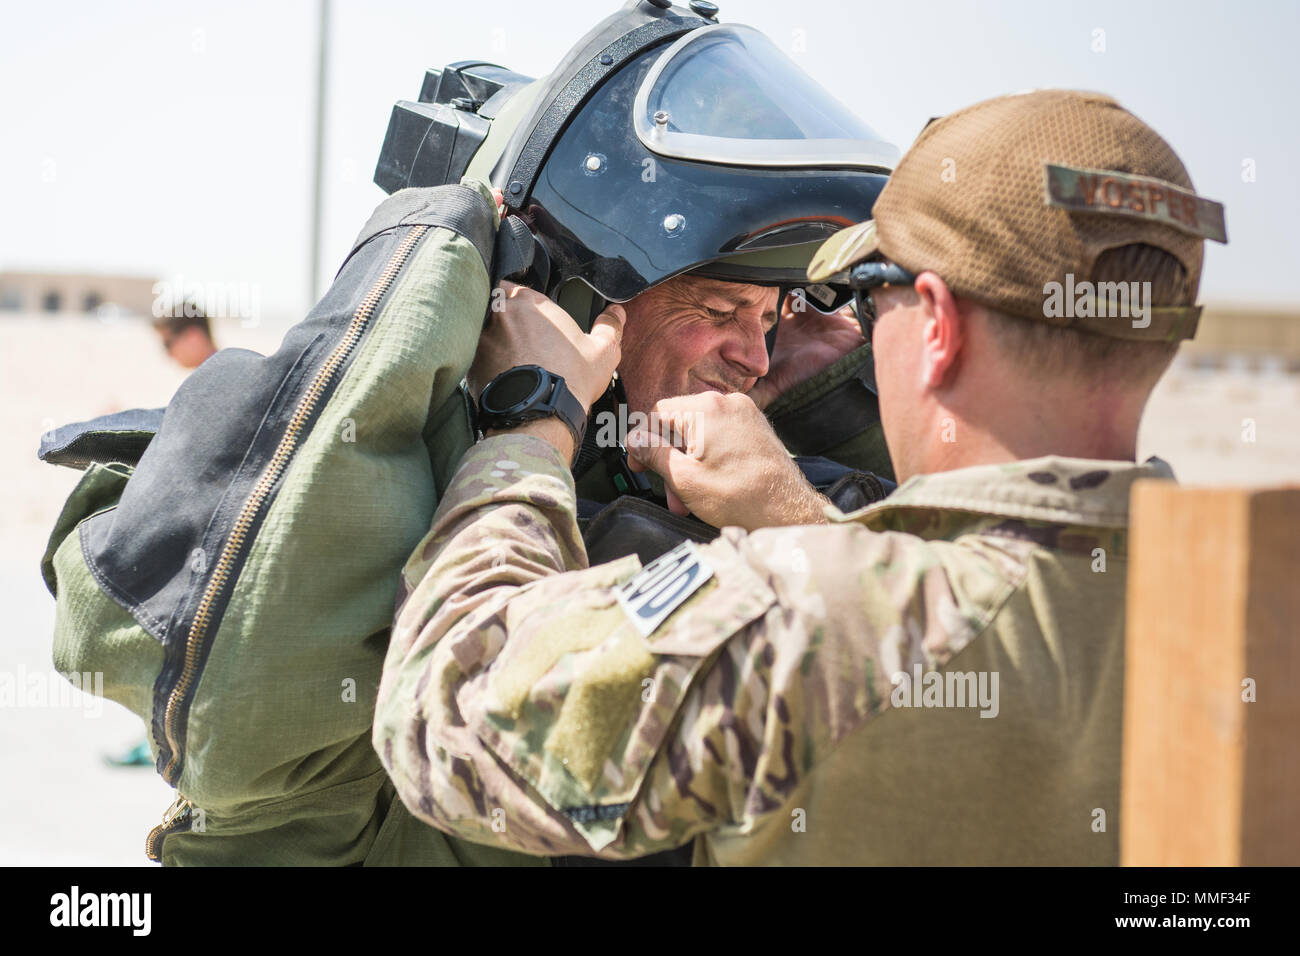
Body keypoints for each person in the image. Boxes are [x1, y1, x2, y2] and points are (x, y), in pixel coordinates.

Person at [373, 89, 1227, 864]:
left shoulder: (817, 618)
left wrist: (531, 423)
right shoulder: (1240, 607)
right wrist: (799, 520)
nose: (768, 350)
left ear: (936, 324)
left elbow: (444, 713)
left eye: (867, 295)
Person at [151, 307, 217, 369]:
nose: (169, 354)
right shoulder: (219, 370)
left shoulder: (217, 375)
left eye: (167, 344)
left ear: (193, 337)